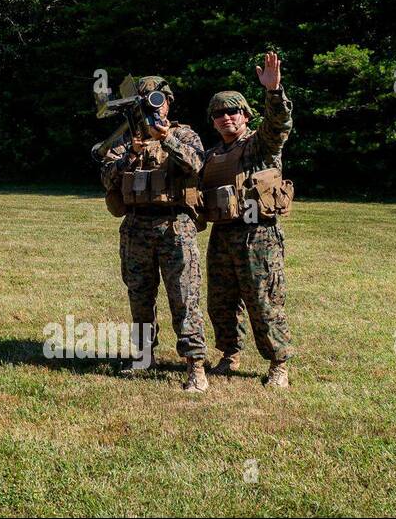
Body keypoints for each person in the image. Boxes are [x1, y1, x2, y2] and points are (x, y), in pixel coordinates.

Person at [99, 76, 209, 392]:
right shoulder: (124, 141)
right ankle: (144, 356)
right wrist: (129, 156)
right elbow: (106, 178)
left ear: (169, 102)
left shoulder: (183, 133)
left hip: (176, 227)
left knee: (185, 297)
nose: (154, 108)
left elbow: (196, 165)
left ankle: (195, 366)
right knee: (139, 296)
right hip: (136, 227)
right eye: (147, 102)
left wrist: (166, 140)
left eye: (160, 100)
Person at [201, 52, 295, 388]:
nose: (226, 117)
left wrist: (273, 91)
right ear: (212, 121)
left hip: (258, 235)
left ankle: (278, 364)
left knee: (263, 300)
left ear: (245, 115)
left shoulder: (260, 145)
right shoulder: (211, 156)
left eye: (233, 111)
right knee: (221, 301)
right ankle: (229, 354)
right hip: (223, 235)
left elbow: (279, 125)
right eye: (219, 113)